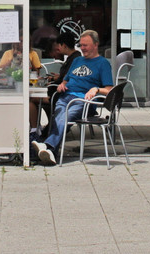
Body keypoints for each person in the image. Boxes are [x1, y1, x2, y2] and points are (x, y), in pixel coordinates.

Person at [31, 29, 113, 166]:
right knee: (59, 116)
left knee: (64, 116)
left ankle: (48, 146)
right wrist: (62, 85)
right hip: (66, 96)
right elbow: (66, 80)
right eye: (81, 45)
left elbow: (110, 91)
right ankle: (50, 151)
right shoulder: (77, 60)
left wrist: (96, 89)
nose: (83, 48)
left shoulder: (103, 63)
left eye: (86, 45)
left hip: (84, 101)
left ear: (96, 45)